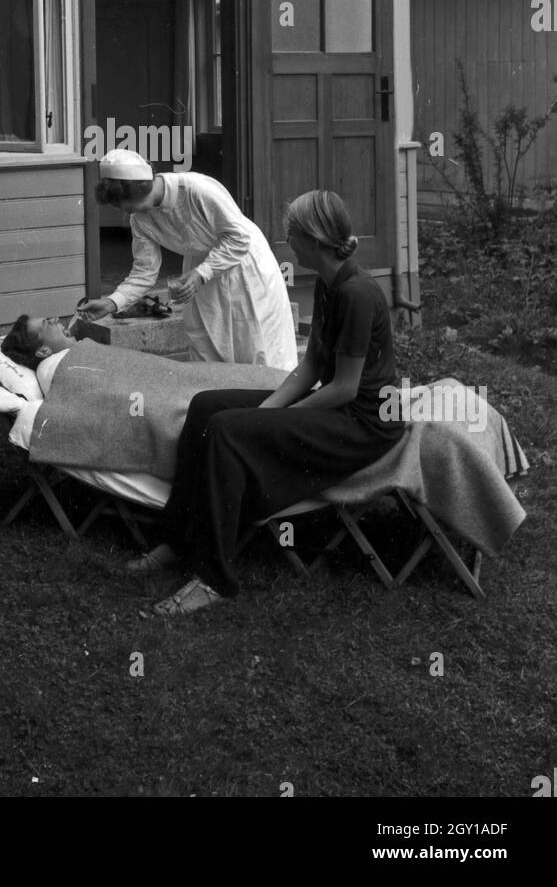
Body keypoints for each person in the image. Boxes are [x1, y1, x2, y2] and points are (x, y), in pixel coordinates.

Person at [135, 190, 405, 616]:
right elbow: (313, 364)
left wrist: (275, 419)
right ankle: (177, 539)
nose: (286, 243)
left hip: (363, 423)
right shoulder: (329, 284)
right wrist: (265, 414)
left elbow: (346, 388)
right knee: (208, 406)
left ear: (314, 239)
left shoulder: (357, 294)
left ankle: (213, 578)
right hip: (336, 404)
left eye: (291, 234)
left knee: (228, 430)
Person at [78, 149, 297, 371]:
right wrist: (112, 301)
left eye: (124, 203)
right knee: (208, 345)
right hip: (200, 274)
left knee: (254, 342)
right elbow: (145, 270)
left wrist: (202, 273)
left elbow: (239, 237)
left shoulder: (197, 190)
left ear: (139, 188)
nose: (124, 211)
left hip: (244, 267)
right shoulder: (140, 220)